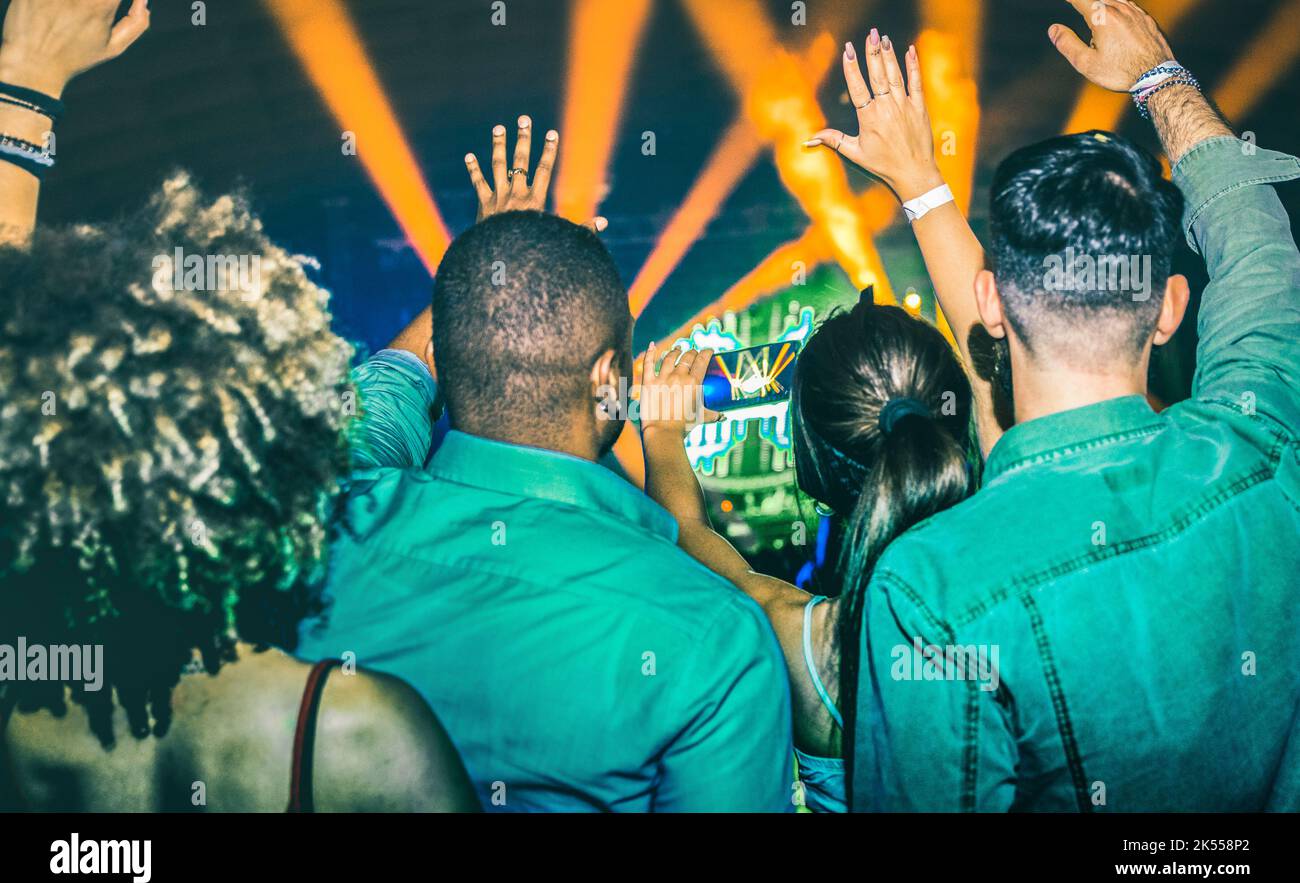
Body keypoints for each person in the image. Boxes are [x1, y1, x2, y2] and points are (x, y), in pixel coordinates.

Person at [0, 0, 477, 813]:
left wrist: (24, 85)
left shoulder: (26, 700)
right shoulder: (355, 728)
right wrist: (483, 270)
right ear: (289, 470)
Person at [846, 0, 1300, 811]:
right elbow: (1255, 235)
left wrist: (919, 185)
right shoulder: (1266, 445)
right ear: (1168, 307)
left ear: (992, 299)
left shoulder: (932, 590)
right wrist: (1161, 78)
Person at [295, 119, 795, 812]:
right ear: (608, 379)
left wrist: (481, 273)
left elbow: (392, 383)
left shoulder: (322, 520)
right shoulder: (712, 637)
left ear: (452, 354)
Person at [639, 32, 994, 813]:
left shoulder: (808, 648)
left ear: (813, 469)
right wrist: (921, 182)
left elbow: (690, 541)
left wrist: (663, 433)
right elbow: (987, 354)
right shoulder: (1030, 562)